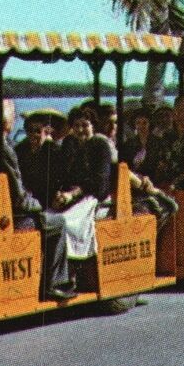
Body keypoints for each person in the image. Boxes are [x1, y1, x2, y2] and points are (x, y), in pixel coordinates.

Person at [0, 101, 75, 300]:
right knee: (57, 222)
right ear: (7, 122)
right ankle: (55, 283)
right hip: (12, 214)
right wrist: (38, 205)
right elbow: (20, 199)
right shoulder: (5, 148)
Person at [53, 108, 114, 273]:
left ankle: (71, 269)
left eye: (85, 125)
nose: (81, 130)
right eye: (77, 126)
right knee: (48, 217)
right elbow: (62, 174)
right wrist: (59, 193)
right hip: (71, 196)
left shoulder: (101, 145)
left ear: (92, 126)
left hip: (93, 196)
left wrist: (74, 193)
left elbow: (99, 183)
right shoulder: (68, 144)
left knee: (65, 221)